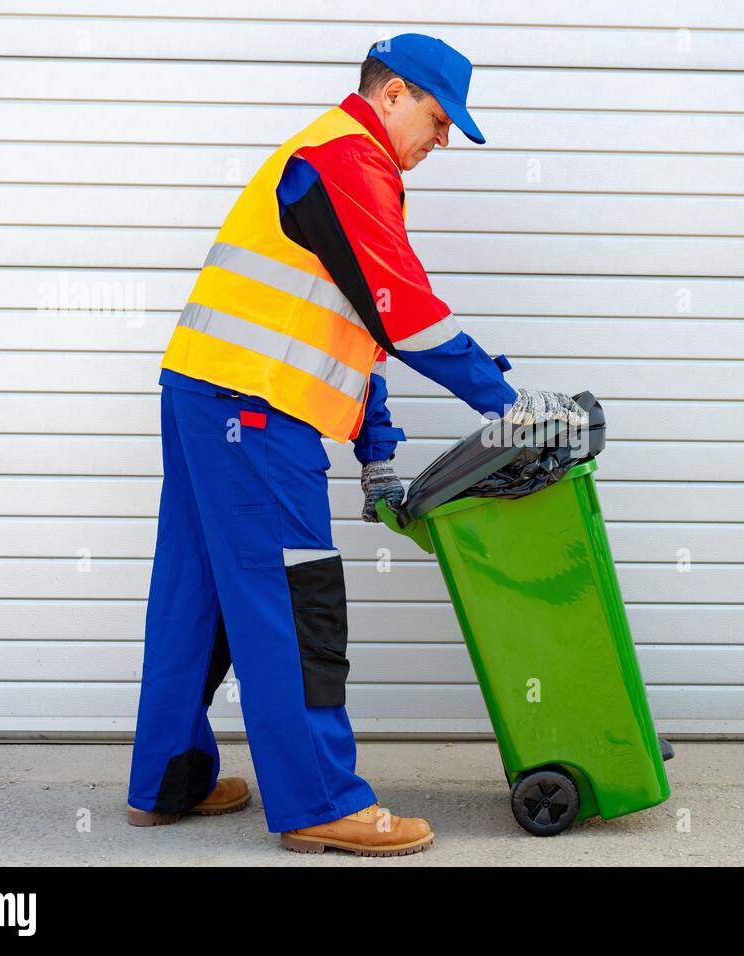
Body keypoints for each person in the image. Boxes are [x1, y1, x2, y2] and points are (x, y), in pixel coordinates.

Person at [125, 33, 586, 856]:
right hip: (258, 410)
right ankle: (319, 802)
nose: (441, 142)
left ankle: (169, 781)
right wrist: (514, 403)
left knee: (196, 594)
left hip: (205, 393)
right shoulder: (348, 160)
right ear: (396, 93)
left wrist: (376, 455)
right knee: (296, 602)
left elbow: (357, 328)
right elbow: (403, 310)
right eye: (440, 121)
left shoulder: (329, 161)